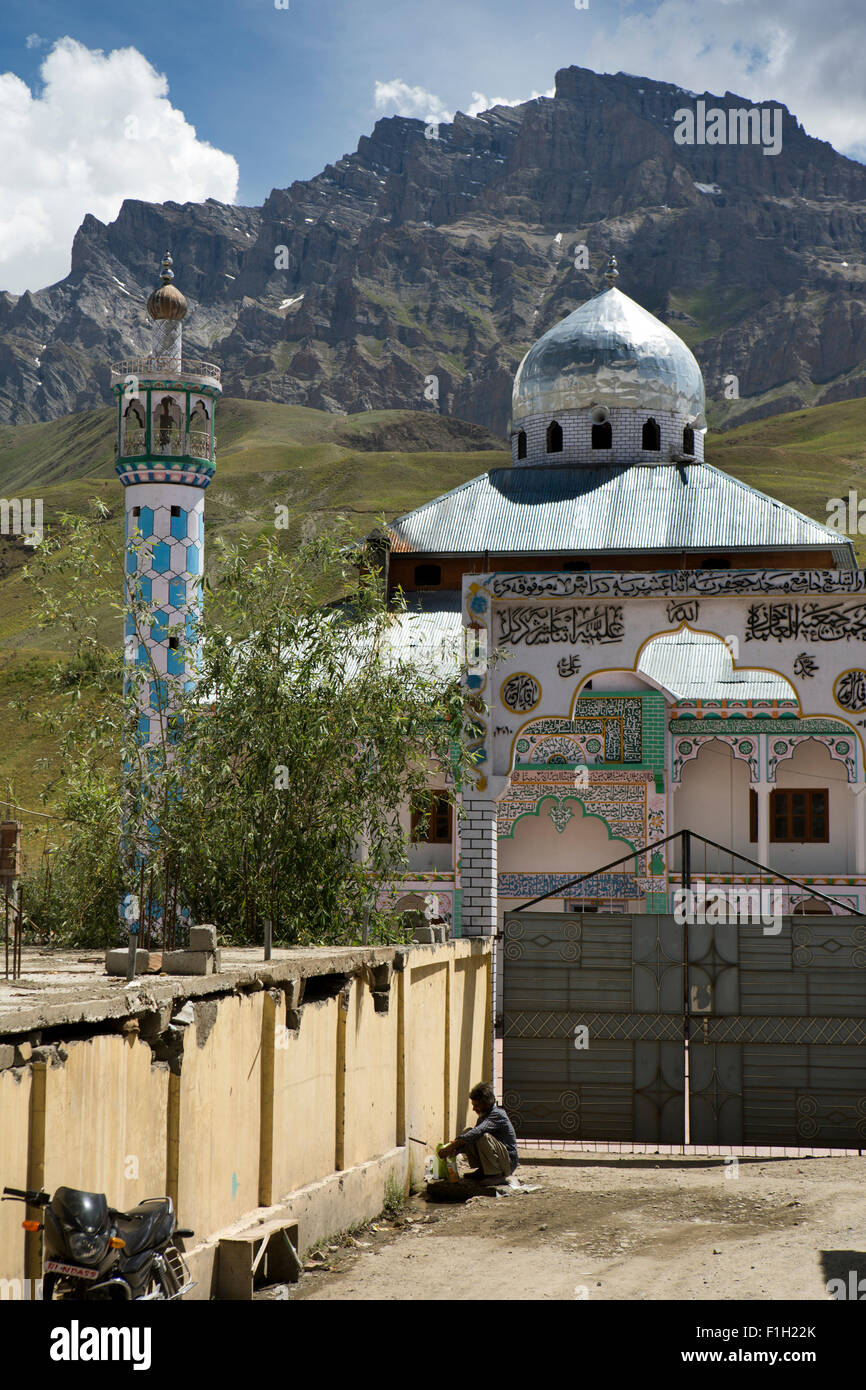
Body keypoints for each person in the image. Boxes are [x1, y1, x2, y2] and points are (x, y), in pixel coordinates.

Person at [439, 1082, 518, 1182]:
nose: (473, 1109)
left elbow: (478, 1131)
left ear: (487, 1104)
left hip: (508, 1162)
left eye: (476, 1105)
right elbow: (470, 1138)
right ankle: (484, 1171)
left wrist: (452, 1146)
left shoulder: (498, 1114)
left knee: (481, 1136)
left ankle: (496, 1175)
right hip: (499, 1157)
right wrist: (456, 1149)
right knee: (468, 1132)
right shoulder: (483, 1116)